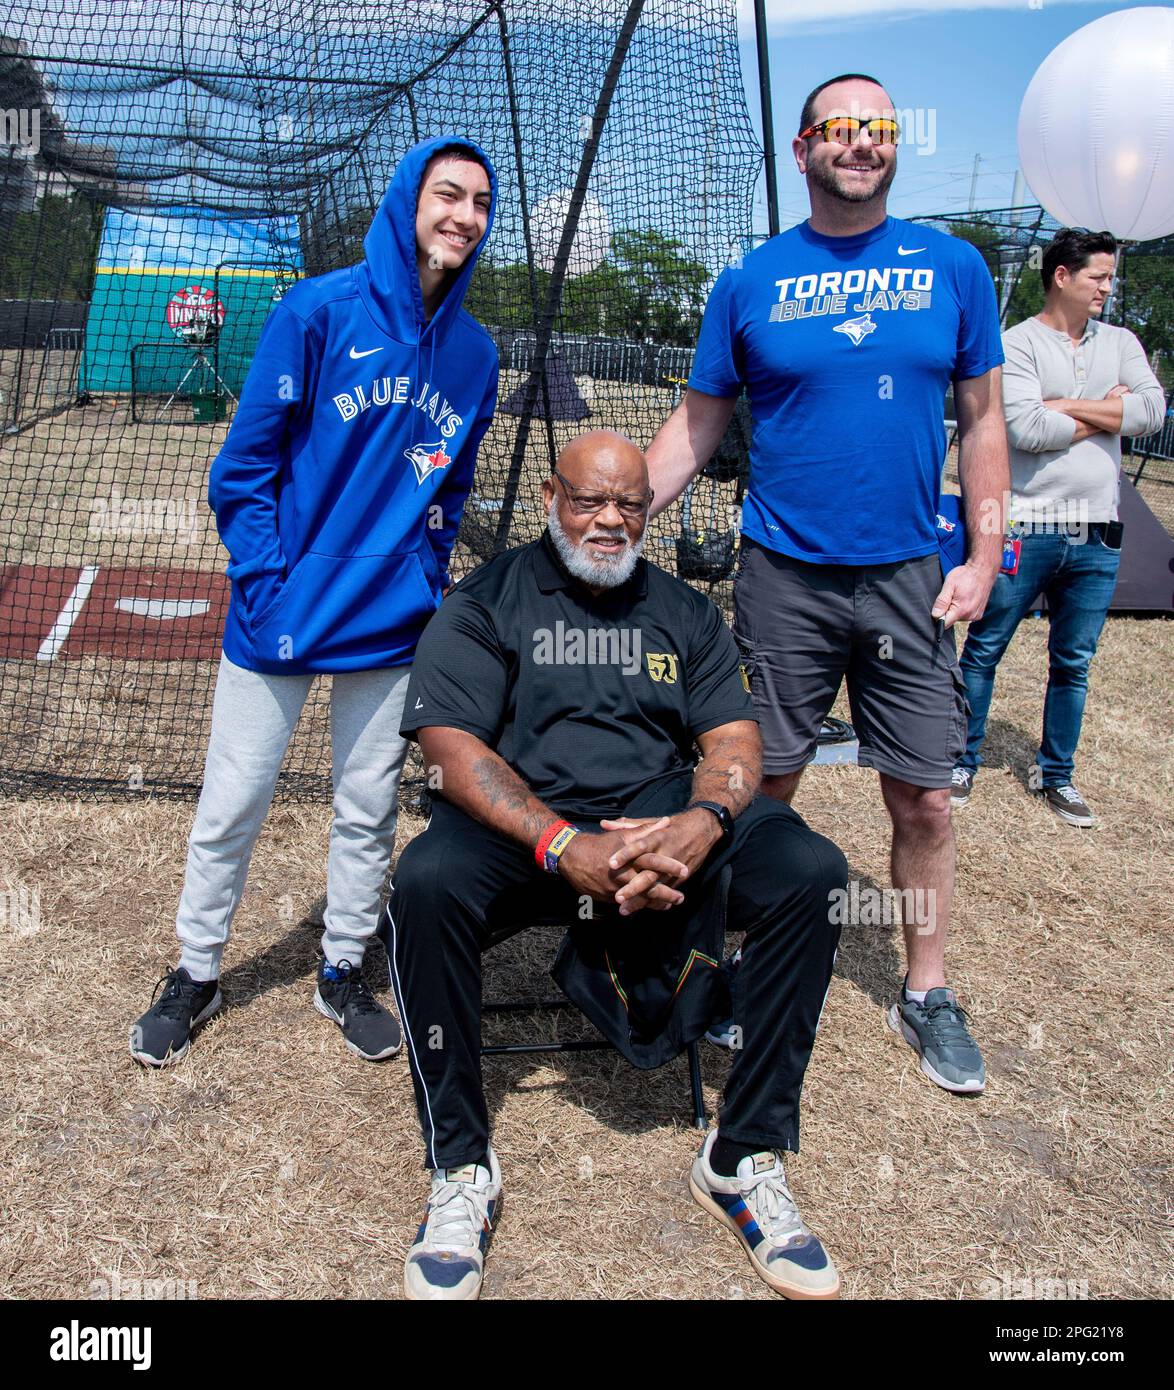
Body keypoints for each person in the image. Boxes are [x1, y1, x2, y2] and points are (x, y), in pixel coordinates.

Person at [388, 430, 848, 1301]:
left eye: (630, 505)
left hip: (665, 823)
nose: (609, 520)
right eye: (589, 500)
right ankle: (459, 1167)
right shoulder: (486, 601)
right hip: (529, 833)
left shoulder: (683, 608)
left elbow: (736, 738)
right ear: (550, 499)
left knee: (814, 873)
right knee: (423, 885)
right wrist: (564, 843)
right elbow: (447, 749)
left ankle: (742, 1155)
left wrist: (704, 820)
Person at [645, 74, 1009, 1095]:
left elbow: (980, 422)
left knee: (926, 800)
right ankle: (733, 961)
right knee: (757, 787)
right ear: (802, 148)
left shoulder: (952, 266)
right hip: (782, 578)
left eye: (879, 129)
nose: (861, 145)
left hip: (908, 578)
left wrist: (982, 555)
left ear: (895, 146)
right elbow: (697, 424)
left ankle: (926, 989)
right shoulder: (750, 280)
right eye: (840, 130)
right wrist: (619, 513)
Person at [129, 136, 499, 1067]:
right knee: (234, 800)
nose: (462, 215)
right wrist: (265, 576)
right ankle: (198, 971)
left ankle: (342, 968)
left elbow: (448, 493)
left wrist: (425, 568)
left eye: (480, 204)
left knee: (368, 805)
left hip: (390, 618)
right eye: (446, 194)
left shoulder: (476, 354)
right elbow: (243, 469)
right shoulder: (317, 310)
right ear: (409, 200)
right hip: (283, 610)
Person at [951, 228, 1166, 826]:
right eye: (1098, 275)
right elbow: (1026, 430)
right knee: (984, 650)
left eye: (1110, 276)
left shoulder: (1122, 341)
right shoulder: (1015, 343)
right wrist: (1107, 411)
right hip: (1025, 526)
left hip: (1098, 532)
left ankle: (1056, 775)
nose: (1108, 286)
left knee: (1073, 661)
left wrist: (1064, 406)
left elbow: (1151, 414)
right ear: (1062, 276)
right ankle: (961, 759)